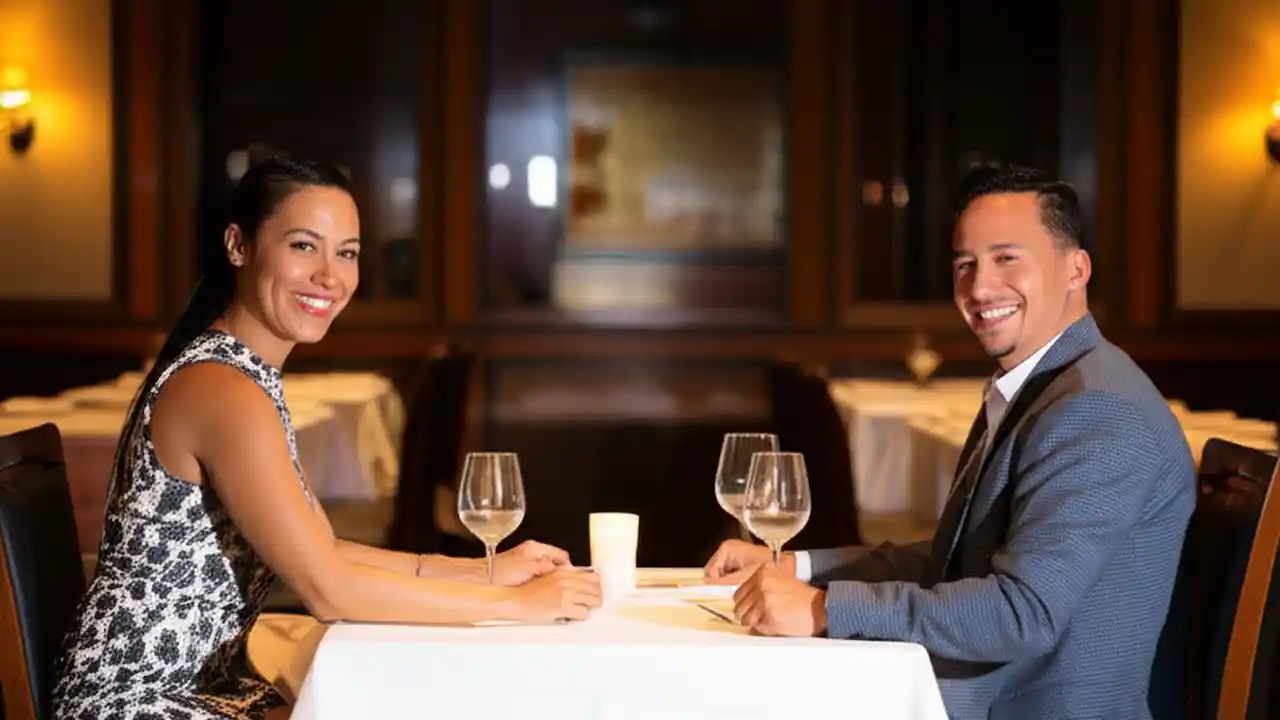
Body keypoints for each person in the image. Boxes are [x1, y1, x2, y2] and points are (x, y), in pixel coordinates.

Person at [54, 156, 602, 720]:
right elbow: (327, 588)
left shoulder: (242, 375)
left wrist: (484, 569)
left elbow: (324, 551)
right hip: (135, 705)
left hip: (205, 689)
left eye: (346, 253)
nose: (330, 277)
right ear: (238, 245)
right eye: (303, 246)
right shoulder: (221, 388)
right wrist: (513, 605)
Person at [704, 164, 1195, 719]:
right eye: (966, 264)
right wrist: (800, 567)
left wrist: (825, 609)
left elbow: (1020, 613)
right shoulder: (1042, 387)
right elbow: (955, 563)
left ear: (1075, 268)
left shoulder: (1096, 408)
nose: (980, 287)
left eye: (1007, 258)